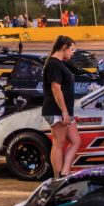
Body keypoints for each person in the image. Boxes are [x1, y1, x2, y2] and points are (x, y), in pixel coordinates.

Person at [42, 35, 81, 179]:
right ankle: (57, 178)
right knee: (58, 143)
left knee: (76, 141)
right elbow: (55, 89)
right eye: (71, 49)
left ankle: (64, 172)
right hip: (56, 110)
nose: (72, 53)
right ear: (64, 47)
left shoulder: (58, 63)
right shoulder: (53, 64)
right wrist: (64, 111)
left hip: (64, 111)